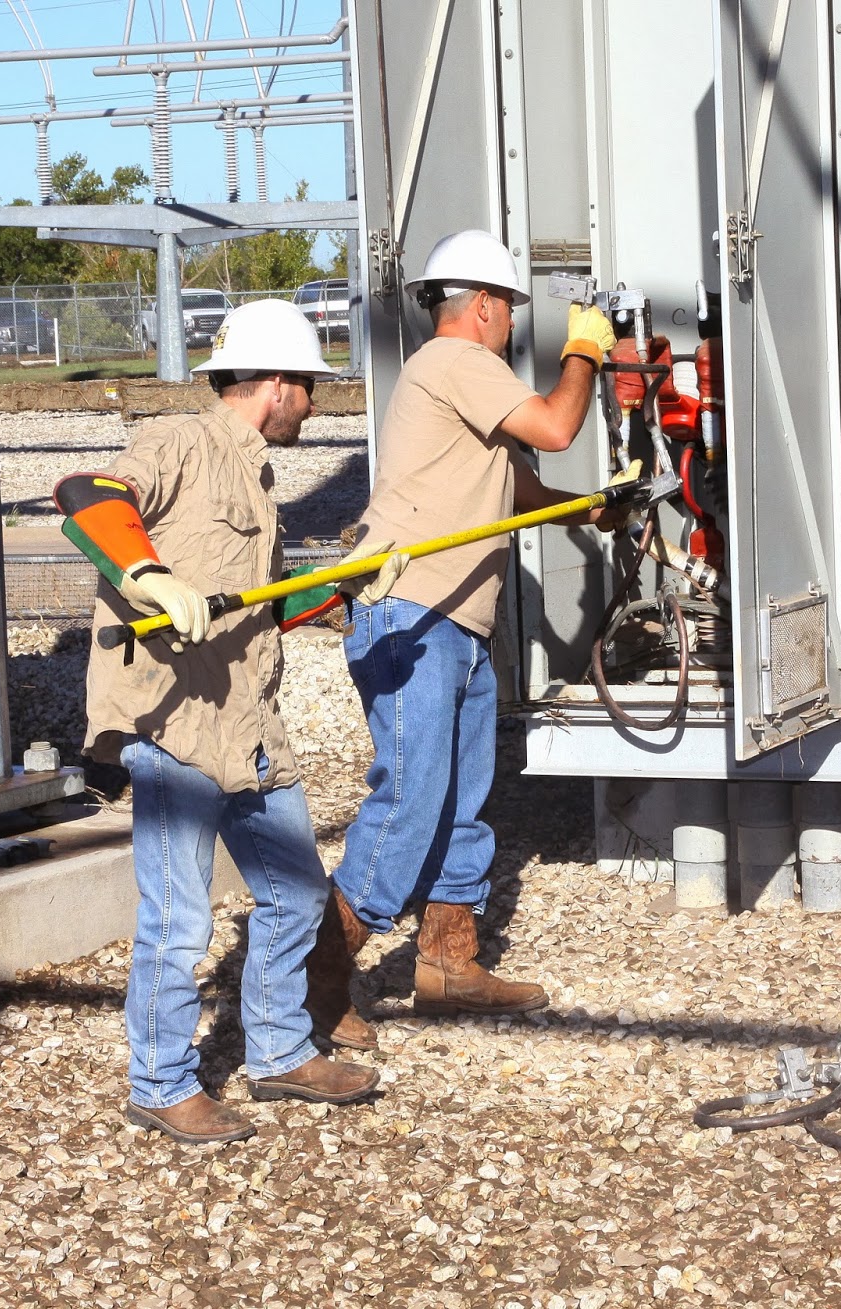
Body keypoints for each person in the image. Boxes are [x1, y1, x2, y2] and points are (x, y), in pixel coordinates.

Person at [54, 299, 407, 1144]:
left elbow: (257, 615)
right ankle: (161, 1082)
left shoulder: (258, 480)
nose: (314, 407)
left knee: (295, 893)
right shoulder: (181, 443)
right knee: (179, 919)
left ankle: (281, 1049)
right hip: (174, 726)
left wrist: (342, 588)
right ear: (275, 383)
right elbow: (84, 492)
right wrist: (143, 570)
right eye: (309, 389)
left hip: (248, 725)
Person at [304, 230, 622, 1051]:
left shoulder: (456, 386)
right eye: (510, 309)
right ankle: (315, 983)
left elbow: (522, 483)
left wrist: (593, 507)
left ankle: (448, 961)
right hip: (414, 613)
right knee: (410, 797)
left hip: (453, 617)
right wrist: (584, 350)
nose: (513, 323)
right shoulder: (456, 361)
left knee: (459, 797)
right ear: (483, 304)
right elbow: (556, 426)